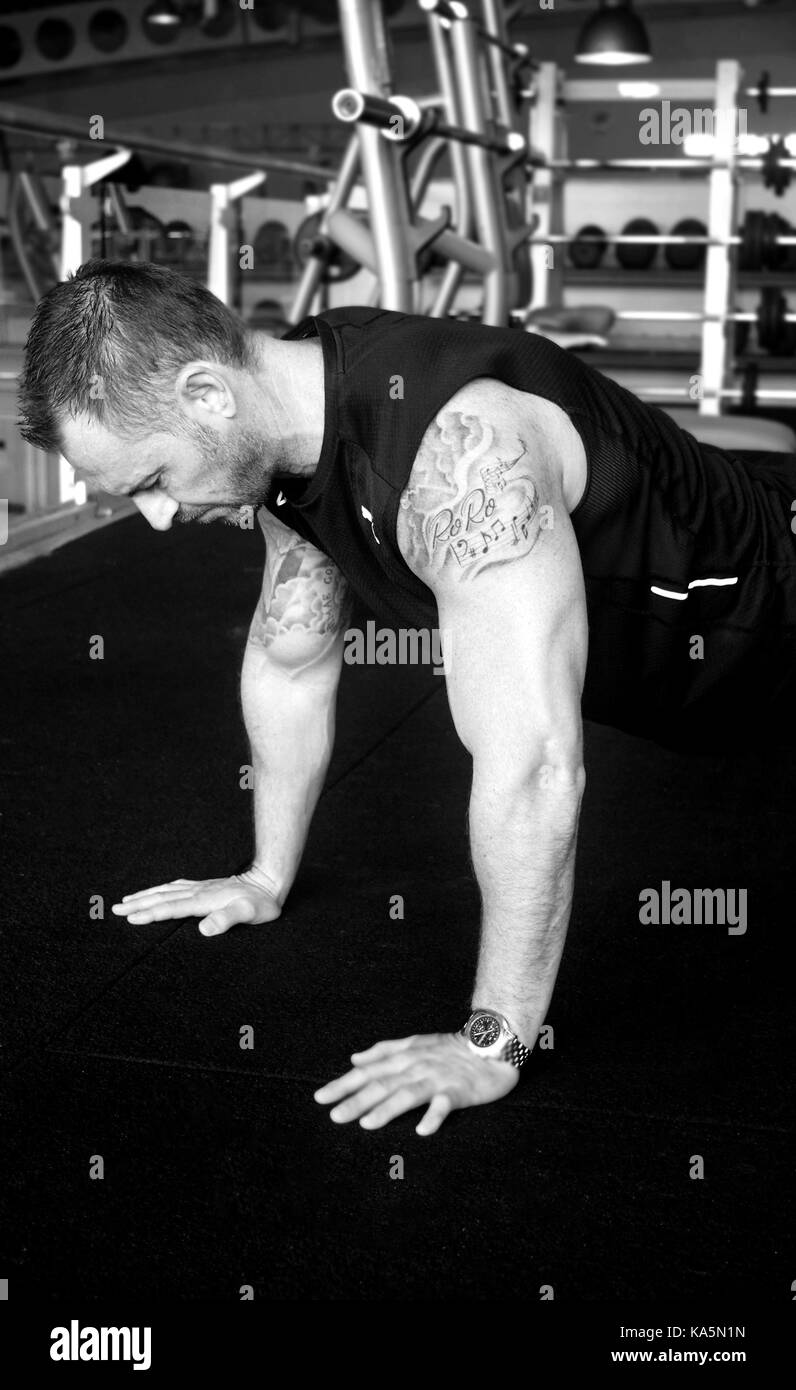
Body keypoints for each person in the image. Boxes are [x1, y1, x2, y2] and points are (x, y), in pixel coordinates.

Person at [18, 259, 796, 1136]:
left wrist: (491, 1044)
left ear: (206, 392)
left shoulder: (462, 458)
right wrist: (264, 876)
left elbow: (536, 768)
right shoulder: (291, 423)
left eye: (153, 482)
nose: (156, 520)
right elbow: (291, 657)